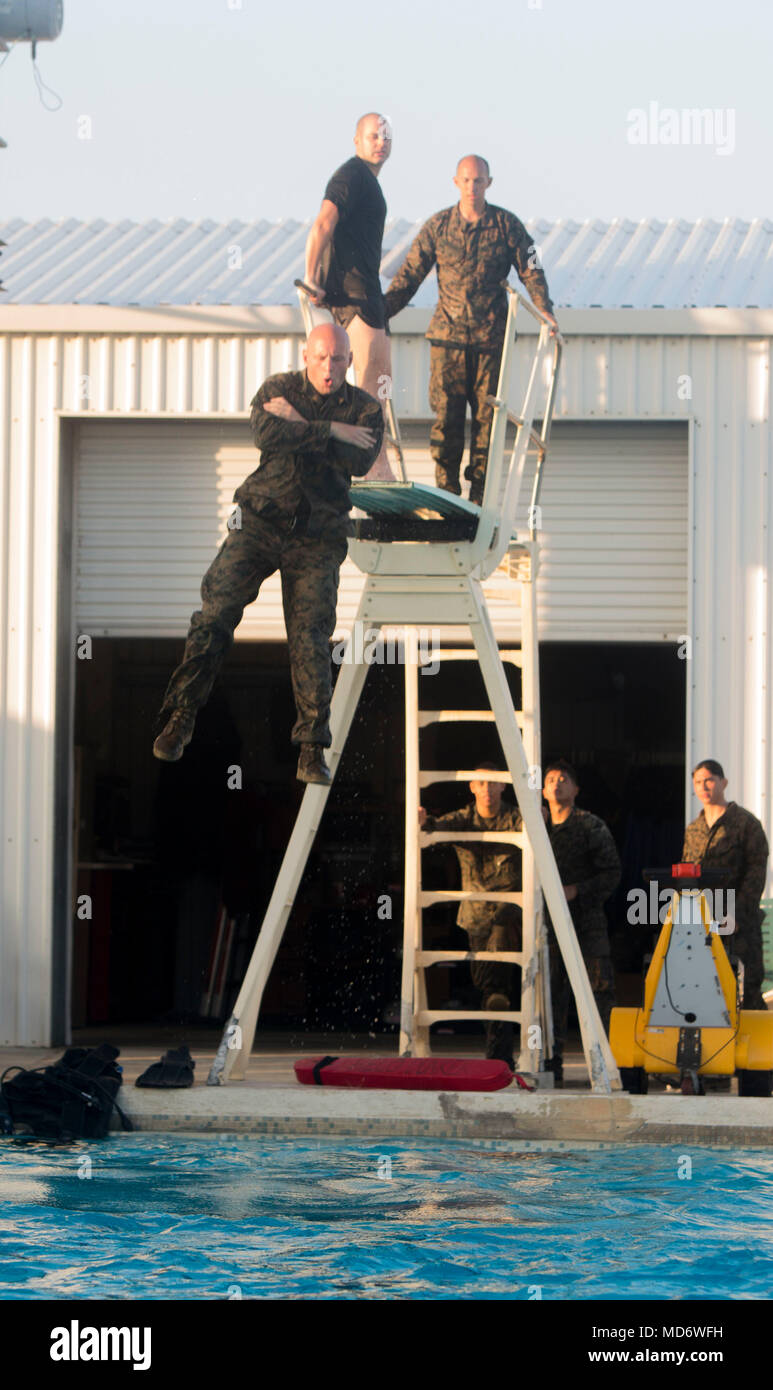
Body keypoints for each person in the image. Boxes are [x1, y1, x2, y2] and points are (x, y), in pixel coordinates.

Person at [152, 322, 383, 786]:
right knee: (214, 614)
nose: (329, 368)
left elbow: (359, 460)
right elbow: (265, 433)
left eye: (338, 359)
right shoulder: (277, 389)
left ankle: (312, 748)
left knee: (311, 638)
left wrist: (302, 425)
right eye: (321, 357)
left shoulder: (365, 409)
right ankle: (180, 717)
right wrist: (331, 431)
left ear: (349, 362)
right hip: (259, 521)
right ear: (306, 356)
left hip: (317, 537)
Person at [383, 154, 558, 505]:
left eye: (478, 181)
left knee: (487, 424)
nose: (472, 187)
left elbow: (531, 266)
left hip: (490, 343)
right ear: (456, 182)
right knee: (446, 421)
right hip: (447, 341)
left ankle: (479, 499)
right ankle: (447, 497)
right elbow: (410, 275)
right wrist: (380, 314)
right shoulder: (439, 226)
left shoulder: (507, 225)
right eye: (466, 180)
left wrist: (544, 309)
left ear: (488, 183)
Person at [304, 112, 394, 481]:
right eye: (373, 136)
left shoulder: (368, 182)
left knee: (382, 383)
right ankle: (371, 468)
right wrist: (311, 277)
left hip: (369, 294)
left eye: (386, 137)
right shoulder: (351, 175)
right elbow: (323, 222)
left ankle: (379, 462)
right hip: (356, 298)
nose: (381, 142)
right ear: (357, 141)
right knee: (371, 387)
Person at [419, 764, 522, 1068]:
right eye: (481, 784)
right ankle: (498, 1054)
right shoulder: (464, 818)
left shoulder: (516, 817)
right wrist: (424, 822)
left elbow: (539, 833)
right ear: (472, 788)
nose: (488, 790)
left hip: (509, 911)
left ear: (503, 787)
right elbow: (434, 827)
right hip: (475, 916)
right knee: (490, 989)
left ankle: (499, 1055)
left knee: (499, 973)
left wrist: (540, 820)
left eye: (493, 784)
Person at [542, 759, 621, 1086]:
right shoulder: (535, 825)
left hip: (586, 925)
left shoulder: (591, 826)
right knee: (549, 998)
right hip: (546, 927)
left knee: (597, 996)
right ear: (543, 789)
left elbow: (612, 873)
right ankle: (549, 1066)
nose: (557, 784)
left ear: (576, 789)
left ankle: (606, 1066)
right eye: (551, 780)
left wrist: (578, 891)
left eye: (564, 780)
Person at [682, 759, 769, 1009]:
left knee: (748, 993)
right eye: (698, 782)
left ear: (724, 782)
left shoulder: (745, 824)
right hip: (703, 923)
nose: (703, 786)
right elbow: (687, 873)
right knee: (707, 993)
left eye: (709, 780)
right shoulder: (694, 830)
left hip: (740, 924)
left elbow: (756, 871)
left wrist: (737, 915)